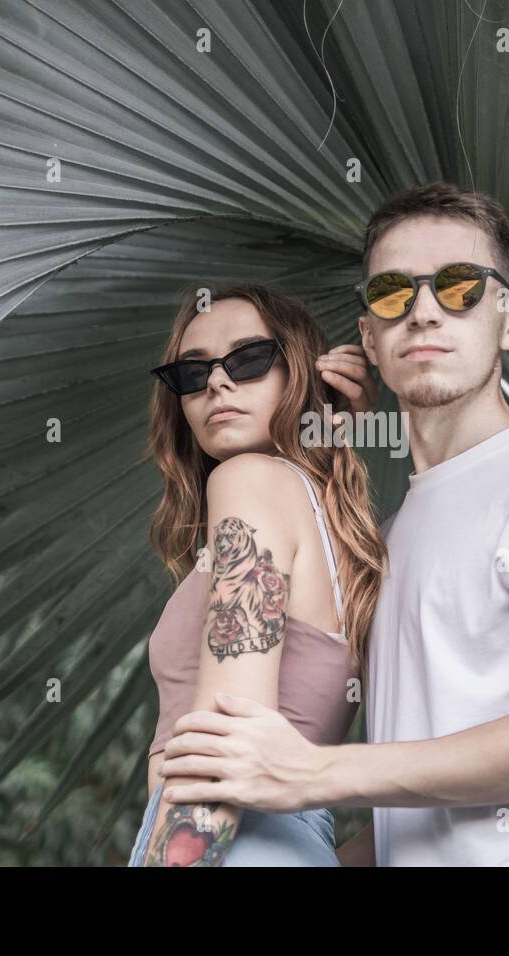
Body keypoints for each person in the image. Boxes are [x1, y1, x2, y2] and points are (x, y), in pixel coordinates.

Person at [158, 183, 509, 866]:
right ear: (369, 336)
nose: (423, 312)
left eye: (459, 287)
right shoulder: (389, 538)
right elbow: (410, 826)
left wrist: (318, 775)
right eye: (393, 294)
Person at [129, 283, 385, 866]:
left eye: (247, 360)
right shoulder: (346, 536)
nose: (218, 382)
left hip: (211, 843)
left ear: (298, 374)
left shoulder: (248, 481)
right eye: (192, 374)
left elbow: (226, 748)